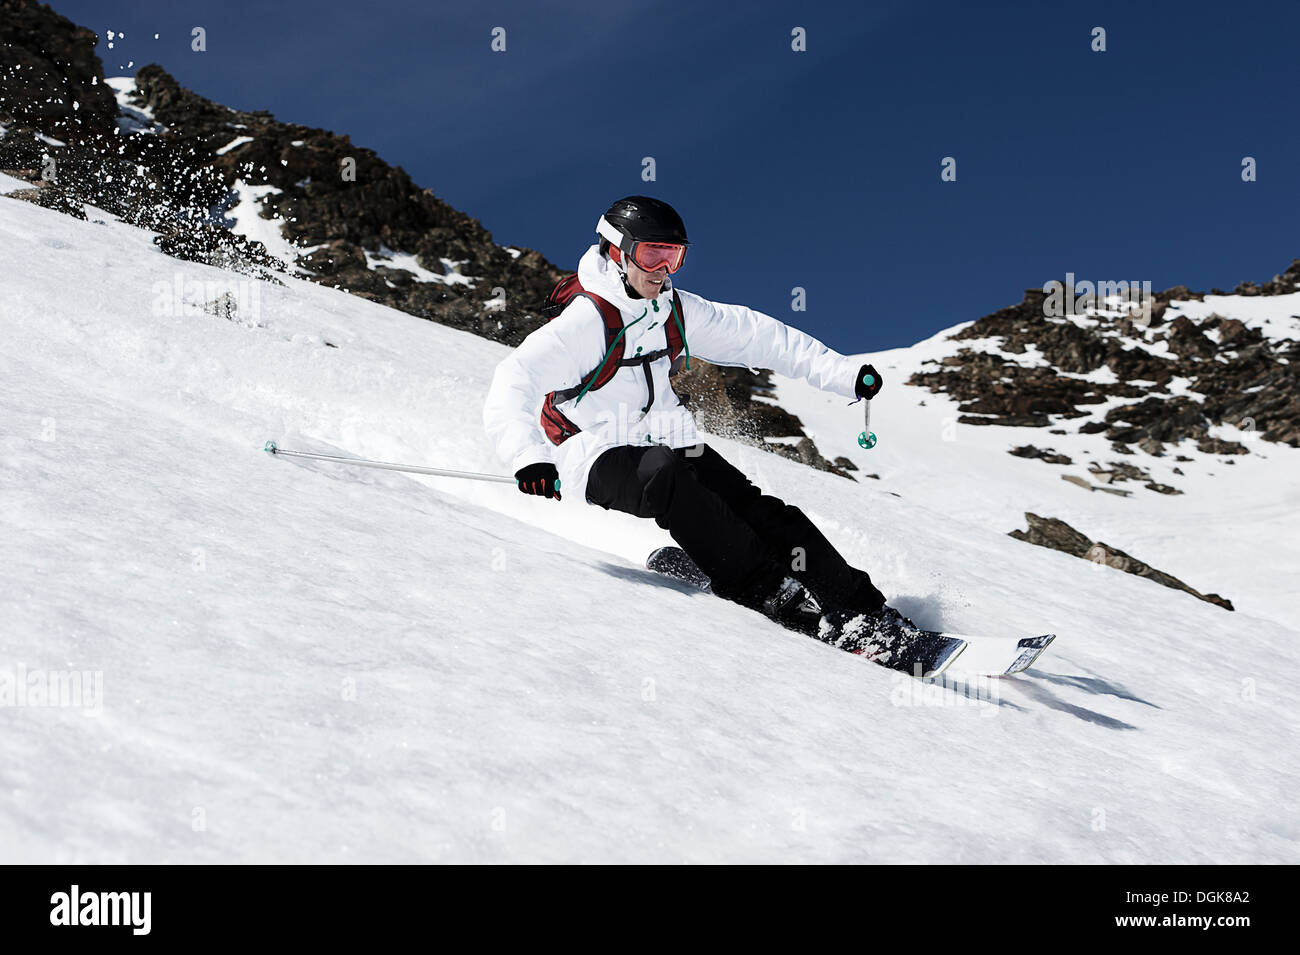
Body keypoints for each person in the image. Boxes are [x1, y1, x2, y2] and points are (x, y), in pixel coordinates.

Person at [484, 196, 898, 647]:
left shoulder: (675, 309)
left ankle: (860, 609)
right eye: (651, 255)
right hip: (590, 451)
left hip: (669, 436)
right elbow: (514, 379)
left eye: (674, 257)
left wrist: (845, 375)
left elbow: (759, 337)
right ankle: (769, 591)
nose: (662, 270)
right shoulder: (585, 321)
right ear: (617, 252)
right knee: (667, 480)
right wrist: (529, 458)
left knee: (756, 510)